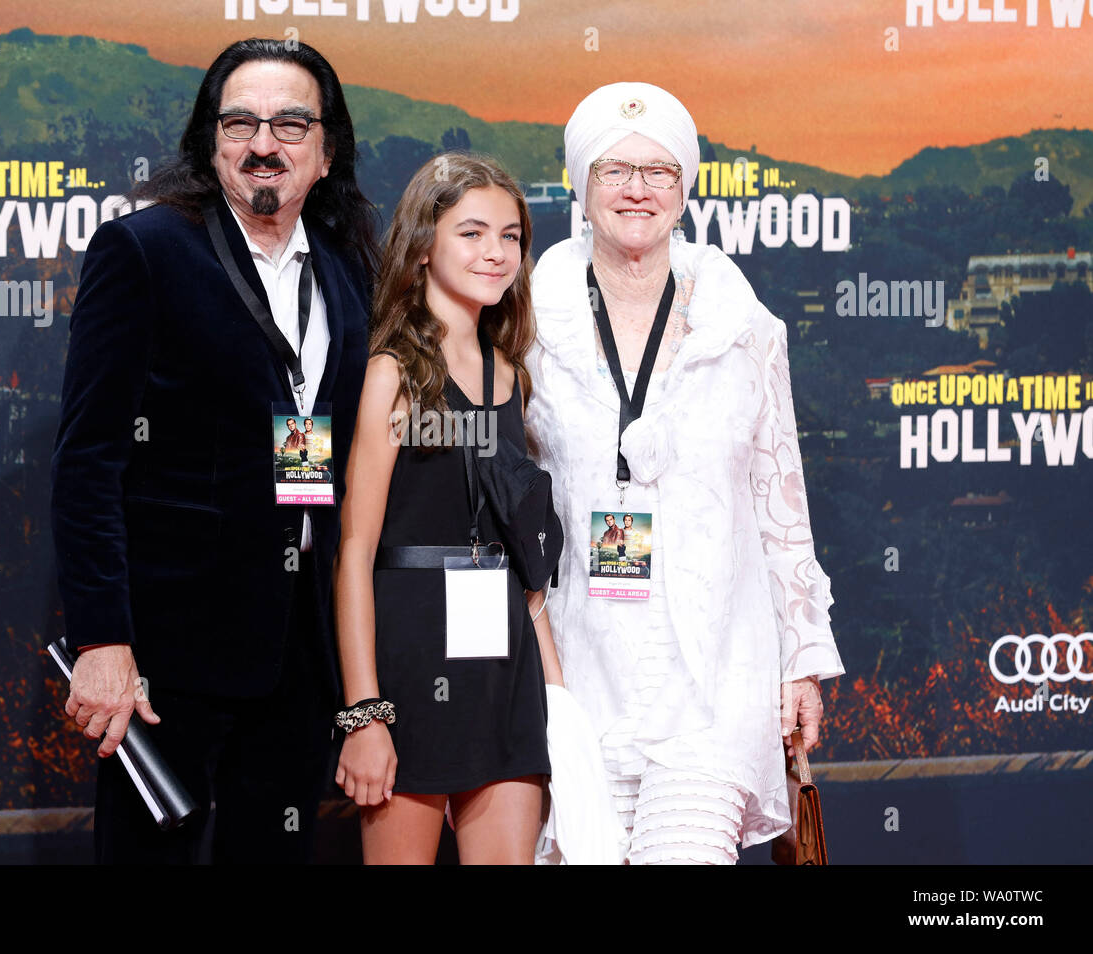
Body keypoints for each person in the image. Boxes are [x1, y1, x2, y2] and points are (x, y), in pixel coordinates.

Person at [50, 37, 378, 864]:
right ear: (210, 141)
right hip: (168, 654)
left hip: (298, 653)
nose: (264, 143)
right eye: (240, 122)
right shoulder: (147, 250)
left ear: (326, 150)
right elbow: (89, 460)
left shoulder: (344, 271)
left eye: (290, 124)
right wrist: (101, 641)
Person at [525, 82, 844, 865]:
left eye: (660, 172)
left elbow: (781, 501)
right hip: (573, 675)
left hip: (715, 678)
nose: (638, 189)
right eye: (616, 170)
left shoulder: (745, 328)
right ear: (580, 183)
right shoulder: (524, 322)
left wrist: (802, 658)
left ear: (686, 186)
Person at [332, 153, 561, 864]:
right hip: (407, 662)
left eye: (511, 235)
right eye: (472, 232)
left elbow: (522, 553)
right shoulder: (389, 374)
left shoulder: (512, 372)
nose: (496, 252)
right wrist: (365, 715)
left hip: (505, 666)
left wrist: (554, 687)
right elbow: (354, 557)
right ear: (424, 245)